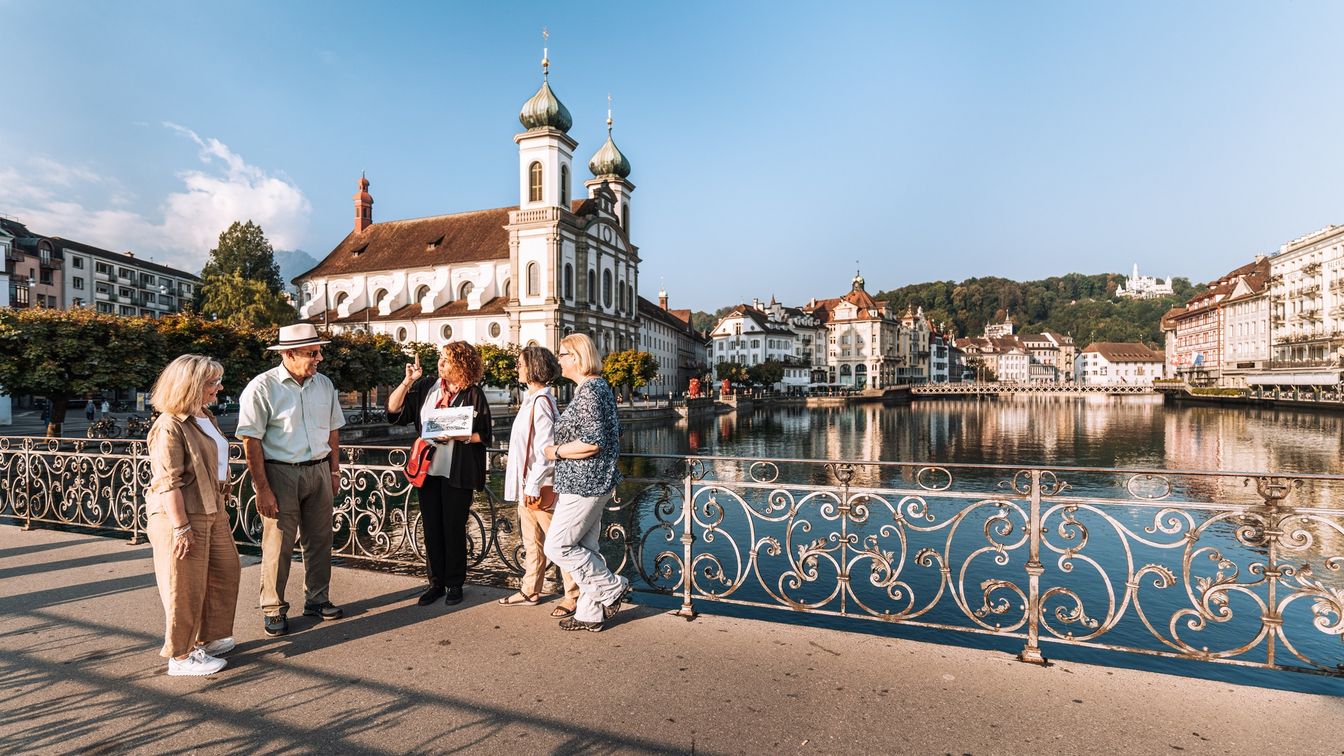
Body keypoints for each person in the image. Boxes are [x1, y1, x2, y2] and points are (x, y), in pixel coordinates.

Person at [236, 323, 346, 637]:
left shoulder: (324, 384)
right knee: (278, 544)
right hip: (280, 471)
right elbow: (251, 441)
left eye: (319, 351)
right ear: (289, 354)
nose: (319, 358)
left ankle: (317, 599)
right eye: (312, 353)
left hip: (319, 470)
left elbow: (334, 430)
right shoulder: (262, 387)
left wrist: (334, 471)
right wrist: (263, 488)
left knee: (321, 540)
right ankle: (272, 608)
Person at [145, 354, 241, 676]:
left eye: (217, 381)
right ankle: (181, 656)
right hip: (182, 512)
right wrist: (181, 527)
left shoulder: (206, 416)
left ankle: (208, 638)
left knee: (225, 572)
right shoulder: (169, 426)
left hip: (212, 506)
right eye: (212, 382)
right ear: (190, 386)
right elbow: (168, 481)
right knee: (183, 584)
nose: (219, 387)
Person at [386, 342, 492, 607]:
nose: (440, 363)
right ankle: (435, 583)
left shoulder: (474, 394)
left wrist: (461, 435)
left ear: (462, 364)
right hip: (427, 470)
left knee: (453, 528)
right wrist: (407, 382)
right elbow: (393, 412)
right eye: (441, 358)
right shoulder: (427, 387)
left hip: (458, 471)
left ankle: (455, 584)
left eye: (446, 359)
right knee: (431, 527)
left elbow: (485, 436)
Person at [542, 333, 631, 632]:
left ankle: (611, 587)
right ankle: (590, 614)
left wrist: (555, 451)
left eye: (562, 354)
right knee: (586, 548)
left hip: (585, 483)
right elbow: (613, 434)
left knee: (556, 547)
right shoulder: (597, 388)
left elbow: (593, 443)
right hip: (594, 481)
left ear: (577, 358)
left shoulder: (590, 391)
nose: (558, 360)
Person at [500, 345, 578, 616]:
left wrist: (533, 485)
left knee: (558, 544)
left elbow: (545, 450)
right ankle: (530, 589)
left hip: (540, 486)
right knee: (533, 543)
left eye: (521, 364)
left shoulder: (542, 402)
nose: (517, 368)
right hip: (528, 484)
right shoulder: (532, 399)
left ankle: (573, 595)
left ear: (533, 368)